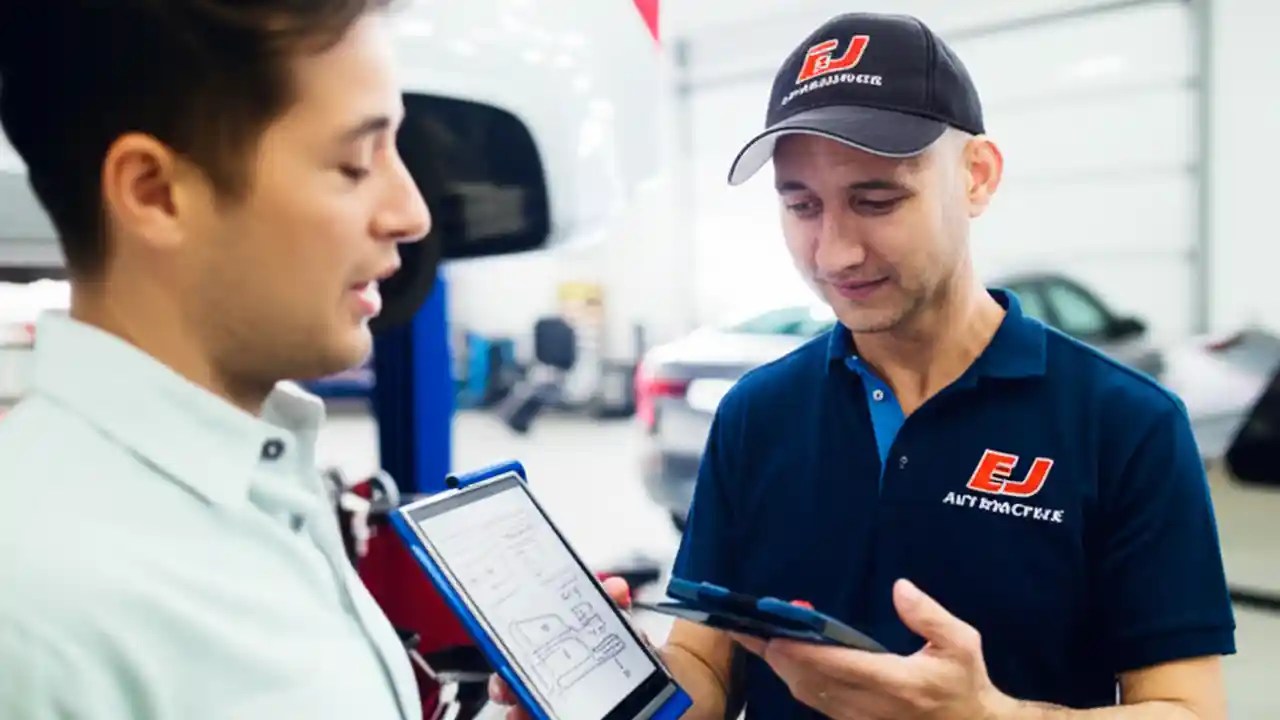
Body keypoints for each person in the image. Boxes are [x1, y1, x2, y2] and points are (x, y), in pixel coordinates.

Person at [494, 11, 1235, 720]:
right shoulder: (757, 414)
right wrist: (617, 692)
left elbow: (1187, 709)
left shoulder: (1126, 426)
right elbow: (709, 672)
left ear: (976, 176)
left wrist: (986, 717)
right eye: (802, 206)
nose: (835, 253)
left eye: (877, 201)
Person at [0, 2, 431, 718]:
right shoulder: (39, 605)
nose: (411, 212)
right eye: (355, 163)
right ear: (155, 193)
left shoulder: (265, 488)